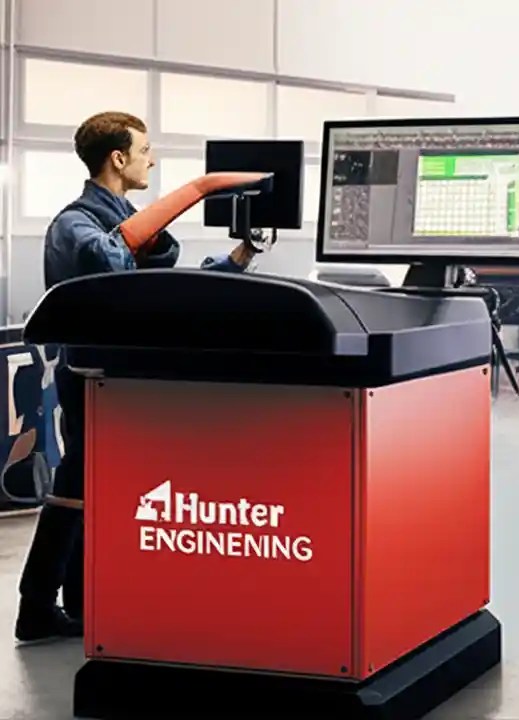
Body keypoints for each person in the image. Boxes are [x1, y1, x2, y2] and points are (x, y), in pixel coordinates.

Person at [14, 111, 258, 643]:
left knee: (95, 488)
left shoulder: (129, 223)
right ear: (118, 158)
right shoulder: (73, 223)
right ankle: (35, 606)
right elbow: (106, 258)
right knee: (76, 484)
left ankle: (78, 602)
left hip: (123, 377)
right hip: (88, 375)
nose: (153, 160)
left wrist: (241, 256)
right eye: (145, 151)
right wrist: (196, 190)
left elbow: (167, 288)